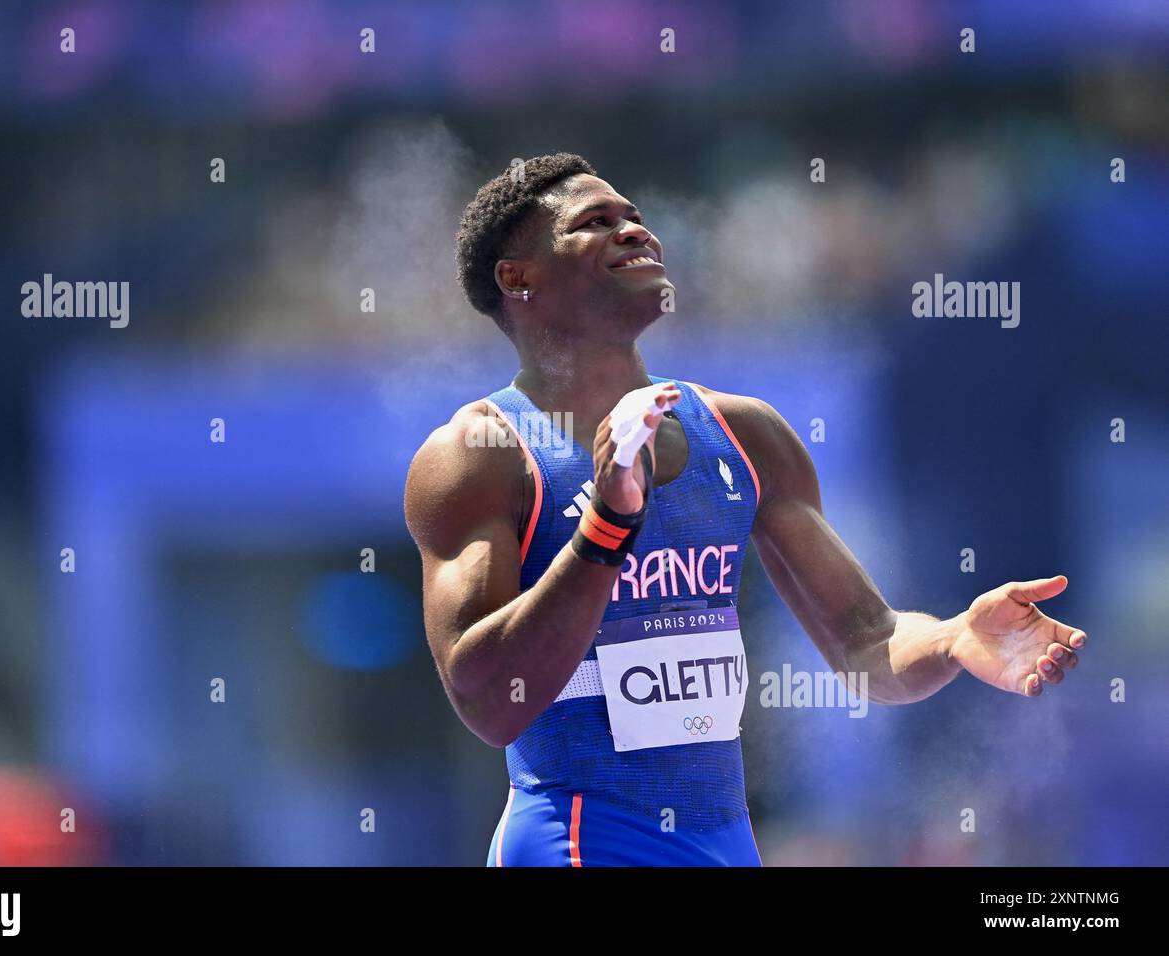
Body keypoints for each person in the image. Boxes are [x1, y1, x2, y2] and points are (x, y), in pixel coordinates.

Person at [403, 153, 1087, 866]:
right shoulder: (476, 455)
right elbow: (489, 701)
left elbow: (868, 644)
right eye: (595, 223)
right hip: (581, 842)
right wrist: (605, 527)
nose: (634, 231)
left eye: (634, 216)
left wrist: (951, 640)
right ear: (519, 278)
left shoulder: (744, 433)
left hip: (725, 846)